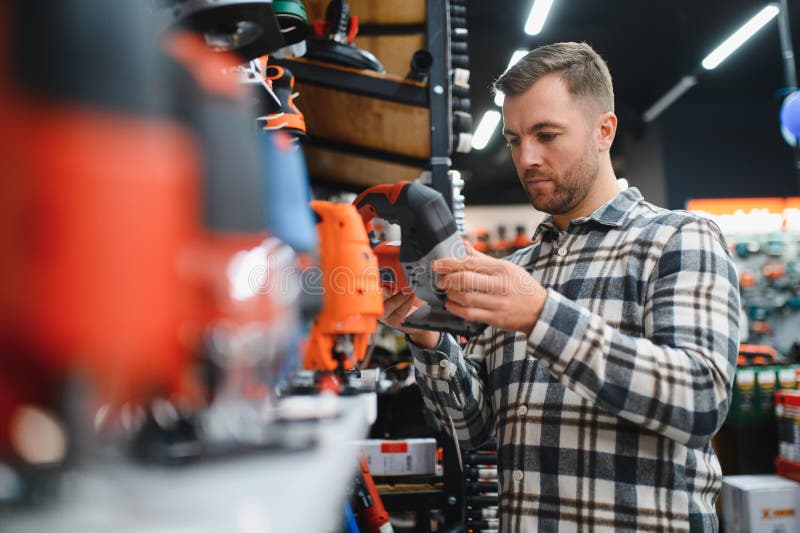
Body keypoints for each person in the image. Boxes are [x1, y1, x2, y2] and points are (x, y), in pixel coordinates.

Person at [382, 42, 740, 532]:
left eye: (546, 135)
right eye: (513, 139)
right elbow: (470, 429)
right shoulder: (520, 267)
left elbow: (701, 401)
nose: (526, 158)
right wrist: (427, 336)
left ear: (604, 131)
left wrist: (540, 315)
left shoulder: (679, 239)